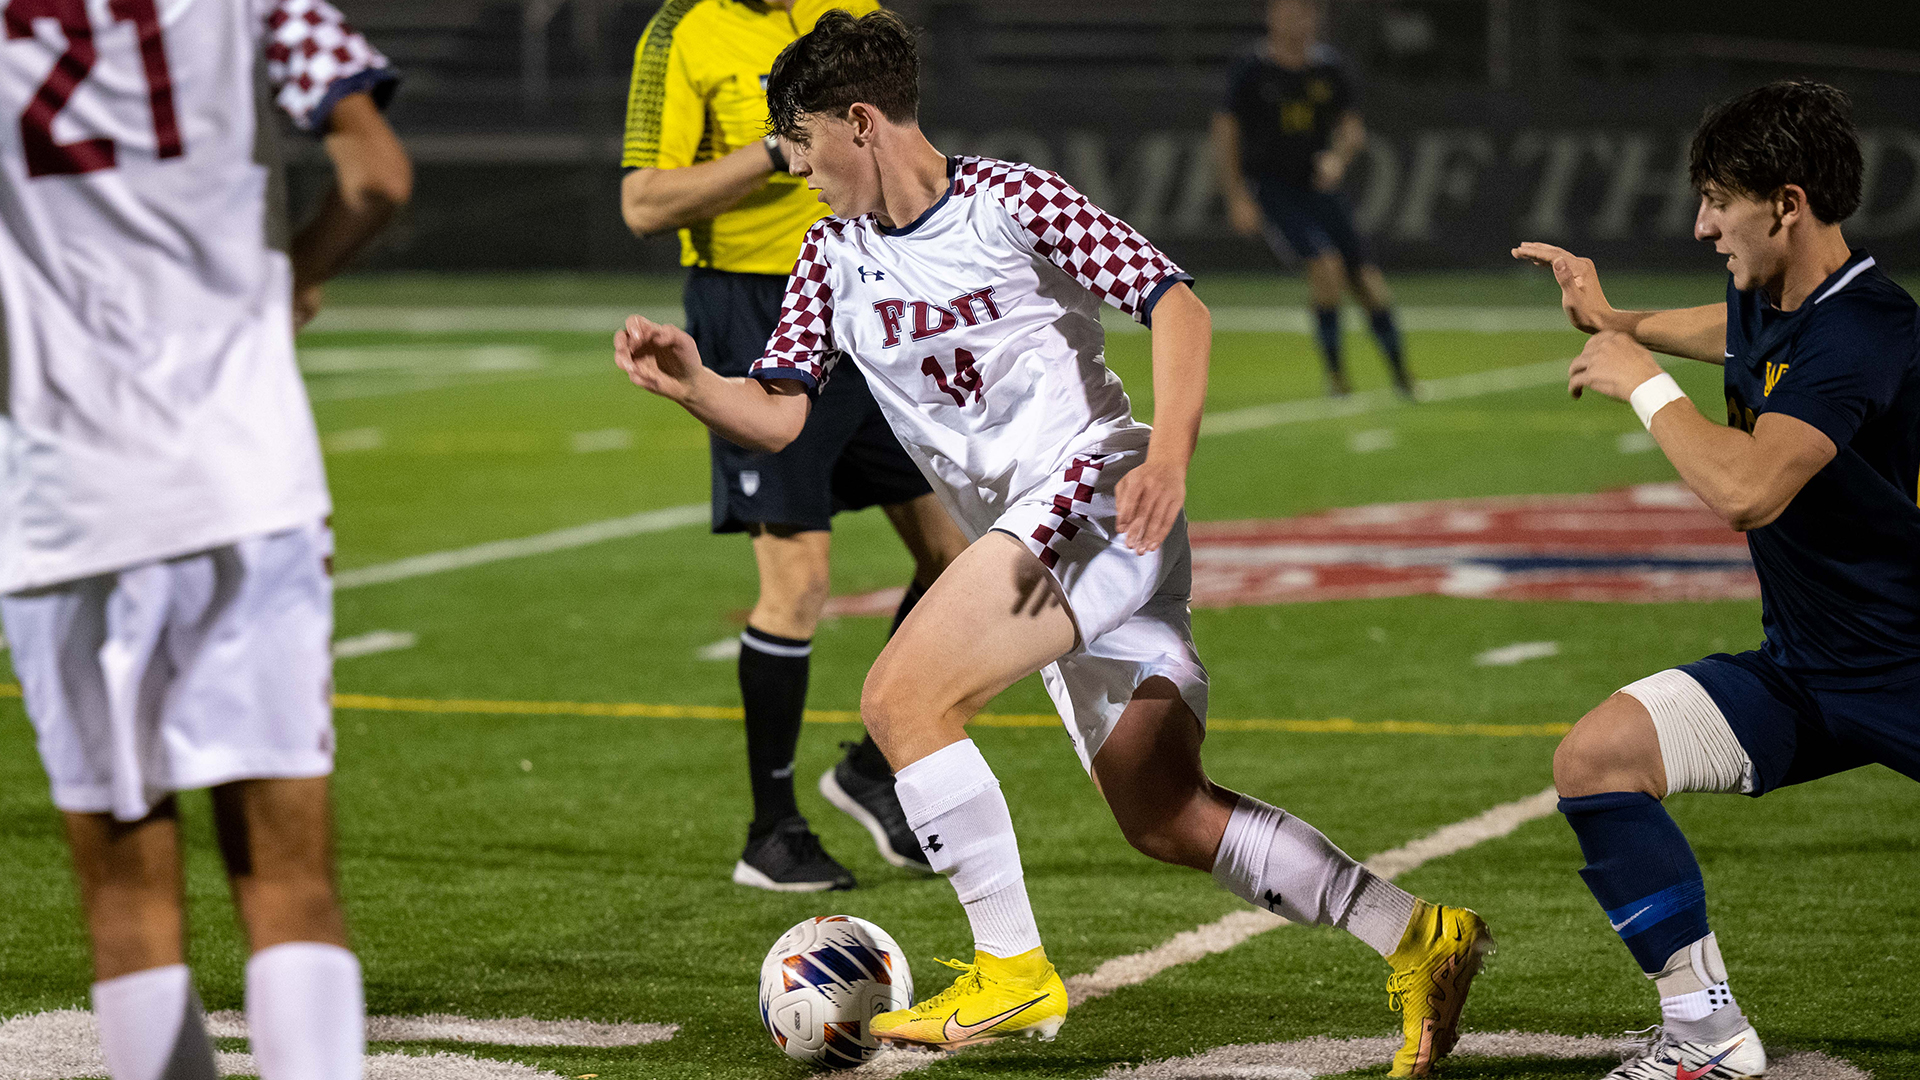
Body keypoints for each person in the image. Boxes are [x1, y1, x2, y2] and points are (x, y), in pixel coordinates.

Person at [617, 11, 1490, 1075]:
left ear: (859, 122)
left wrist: (1166, 455)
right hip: (1049, 539)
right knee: (1164, 813)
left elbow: (1176, 302)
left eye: (802, 147)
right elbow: (783, 413)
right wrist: (693, 384)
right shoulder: (832, 254)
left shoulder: (1010, 202)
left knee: (901, 700)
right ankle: (1416, 934)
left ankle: (1011, 970)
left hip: (1095, 495)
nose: (795, 171)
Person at [0, 1, 410, 1075]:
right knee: (289, 880)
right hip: (245, 473)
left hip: (62, 490)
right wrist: (288, 281)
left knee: (125, 899)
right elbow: (378, 177)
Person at [1515, 80, 1917, 1080]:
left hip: (1908, 666)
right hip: (1811, 672)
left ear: (1786, 203)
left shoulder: (1865, 327)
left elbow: (1747, 491)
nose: (1701, 225)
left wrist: (1637, 380)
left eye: (1717, 201)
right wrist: (1615, 319)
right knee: (1598, 758)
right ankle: (1707, 1036)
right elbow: (1728, 329)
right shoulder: (1774, 300)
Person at [620, 0, 969, 893]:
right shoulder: (682, 30)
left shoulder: (848, 10)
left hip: (866, 296)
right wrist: (777, 151)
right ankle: (769, 831)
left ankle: (872, 771)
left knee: (956, 556)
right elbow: (642, 203)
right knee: (800, 582)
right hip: (748, 310)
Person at [1213, 0, 1411, 398]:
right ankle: (1337, 379)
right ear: (1272, 17)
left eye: (1304, 13)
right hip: (1274, 189)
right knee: (1325, 265)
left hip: (1320, 190)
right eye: (1288, 12)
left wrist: (1337, 160)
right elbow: (1225, 134)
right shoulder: (1252, 72)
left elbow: (1353, 131)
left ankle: (1402, 376)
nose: (1296, 21)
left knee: (1368, 282)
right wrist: (1236, 196)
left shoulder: (1329, 68)